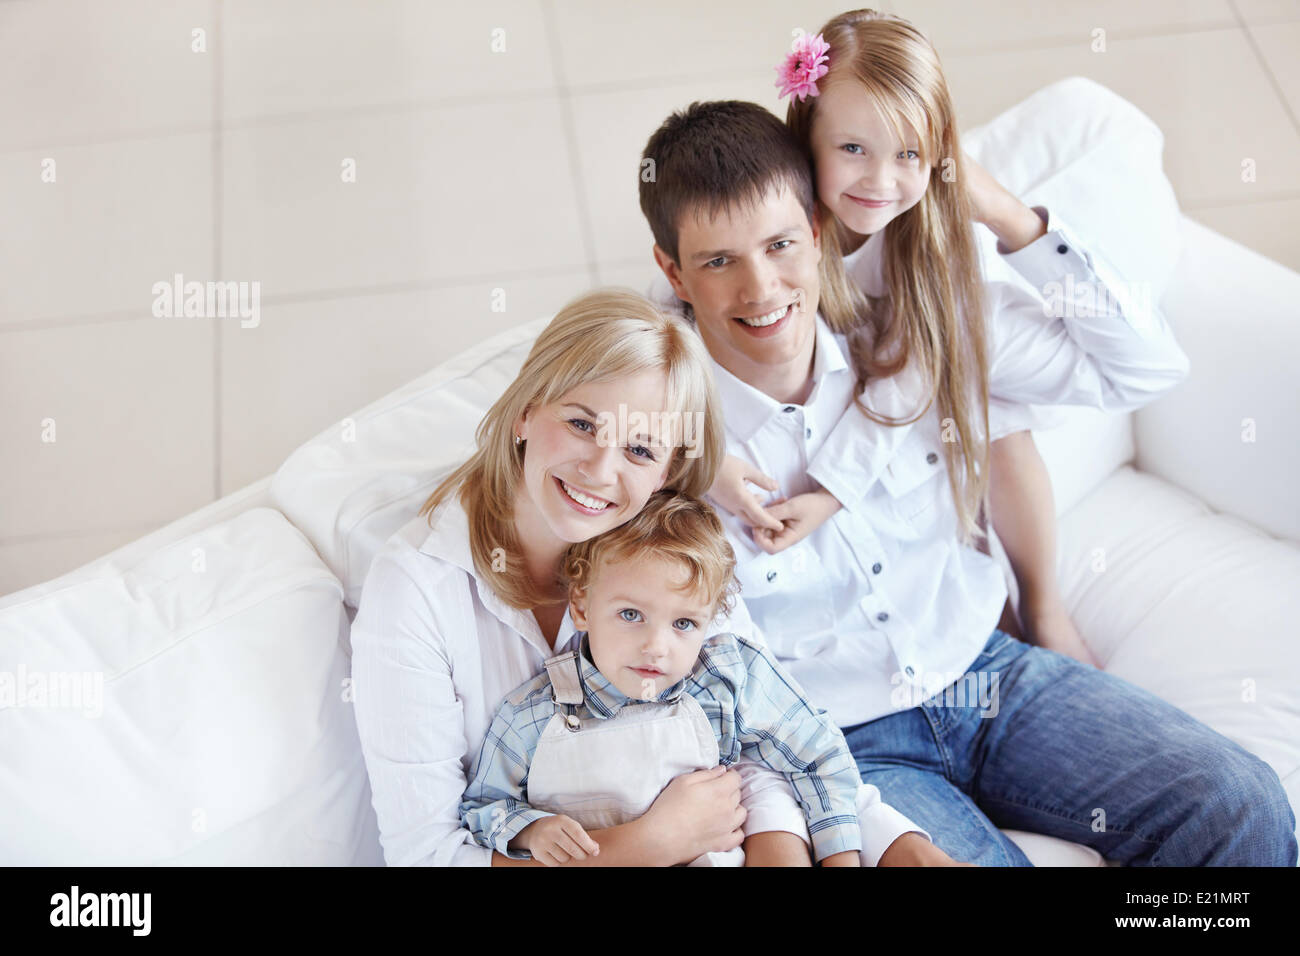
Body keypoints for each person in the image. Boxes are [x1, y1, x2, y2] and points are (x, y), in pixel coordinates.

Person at [636, 76, 1298, 861]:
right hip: (850, 748)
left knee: (1238, 803)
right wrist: (684, 446)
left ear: (817, 228)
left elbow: (1145, 364)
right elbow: (535, 442)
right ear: (674, 274)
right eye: (717, 262)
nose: (760, 288)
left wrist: (1011, 214)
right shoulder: (650, 420)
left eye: (781, 245)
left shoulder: (911, 335)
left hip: (989, 674)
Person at [350, 287, 937, 866]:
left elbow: (766, 732)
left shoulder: (669, 549)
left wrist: (897, 845)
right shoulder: (417, 590)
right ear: (526, 410)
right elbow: (429, 854)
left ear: (665, 472)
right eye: (582, 425)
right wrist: (646, 844)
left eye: (638, 450)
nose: (600, 471)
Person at [460, 490, 888, 867]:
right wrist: (529, 830)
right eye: (631, 615)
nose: (657, 647)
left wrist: (840, 858)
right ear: (582, 606)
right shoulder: (532, 714)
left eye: (684, 623)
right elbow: (482, 807)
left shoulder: (725, 677)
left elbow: (818, 753)